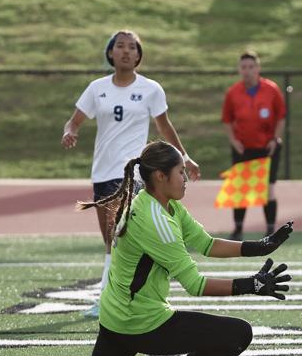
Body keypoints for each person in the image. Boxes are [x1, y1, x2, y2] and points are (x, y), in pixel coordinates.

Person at [0, 141, 293, 356]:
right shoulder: (155, 220)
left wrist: (260, 246)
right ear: (160, 176)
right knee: (238, 333)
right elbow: (195, 284)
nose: (186, 178)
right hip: (142, 322)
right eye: (181, 172)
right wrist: (251, 285)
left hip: (118, 315)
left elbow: (207, 243)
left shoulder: (161, 204)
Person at [61, 29, 201, 318]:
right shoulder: (96, 88)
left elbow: (164, 127)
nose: (125, 51)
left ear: (139, 55)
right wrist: (70, 132)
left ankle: (110, 298)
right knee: (111, 240)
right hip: (103, 172)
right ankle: (120, 296)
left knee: (121, 237)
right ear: (110, 53)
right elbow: (74, 122)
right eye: (120, 46)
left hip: (135, 174)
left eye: (132, 47)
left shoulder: (151, 89)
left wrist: (184, 157)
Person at [221, 50, 286, 240]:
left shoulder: (271, 89)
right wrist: (234, 141)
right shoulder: (233, 93)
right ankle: (238, 228)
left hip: (267, 147)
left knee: (268, 189)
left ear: (258, 68)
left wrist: (275, 139)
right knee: (240, 188)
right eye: (244, 67)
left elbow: (281, 117)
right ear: (239, 69)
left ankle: (270, 230)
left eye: (251, 67)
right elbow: (226, 119)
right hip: (243, 148)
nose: (247, 71)